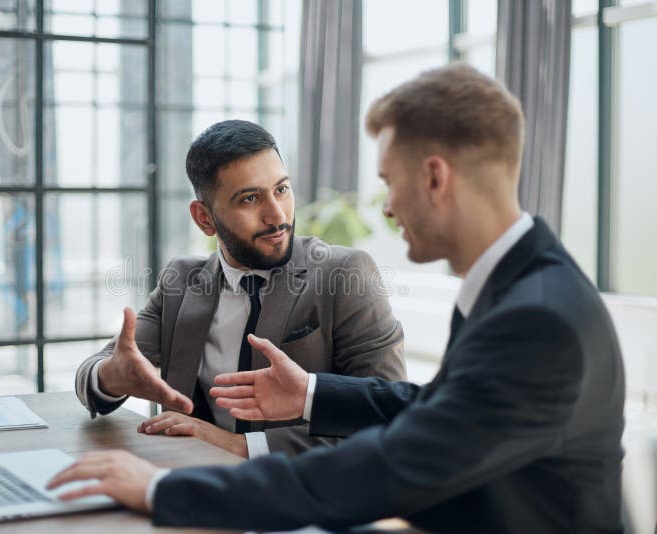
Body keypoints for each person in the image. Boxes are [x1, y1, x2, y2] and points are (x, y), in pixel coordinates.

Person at [51, 65, 625, 533]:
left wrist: (161, 487)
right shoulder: (521, 290)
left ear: (434, 178)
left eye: (389, 180)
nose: (387, 207)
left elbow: (387, 467)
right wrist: (313, 394)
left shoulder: (534, 318)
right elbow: (434, 409)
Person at [74, 119, 406, 459]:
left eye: (281, 189)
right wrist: (110, 376)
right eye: (250, 199)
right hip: (190, 486)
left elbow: (388, 417)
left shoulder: (345, 274)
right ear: (204, 218)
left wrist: (240, 446)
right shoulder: (181, 282)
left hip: (304, 497)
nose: (277, 216)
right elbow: (93, 372)